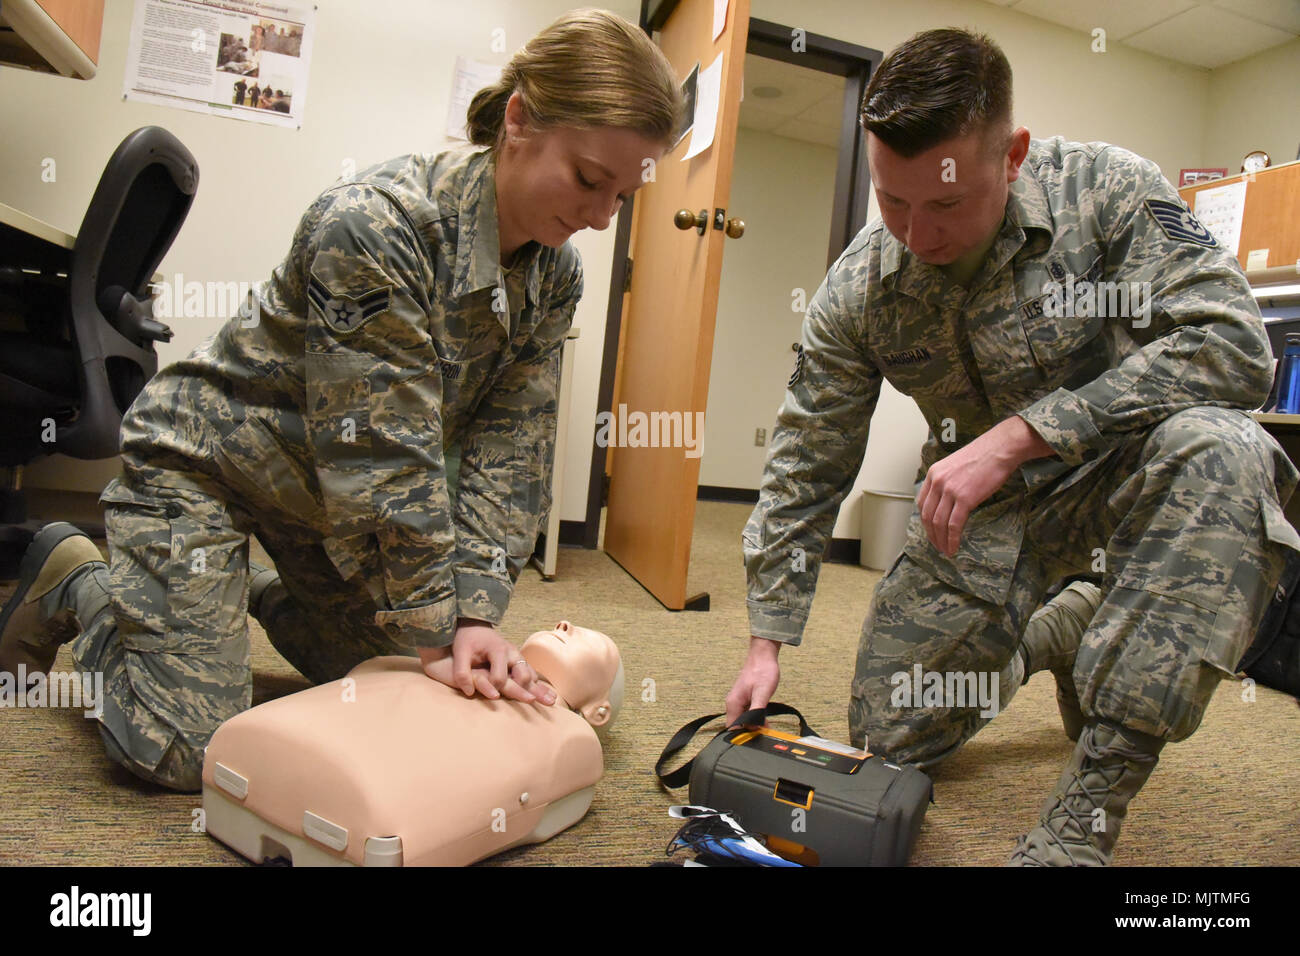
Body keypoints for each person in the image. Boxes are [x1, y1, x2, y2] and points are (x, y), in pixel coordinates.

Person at [0, 9, 684, 793]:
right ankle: (77, 577)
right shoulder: (377, 225)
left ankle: (240, 588)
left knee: (381, 680)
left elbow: (510, 449)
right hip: (208, 470)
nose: (600, 216)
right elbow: (382, 457)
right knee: (187, 752)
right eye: (590, 179)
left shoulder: (555, 276)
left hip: (318, 505)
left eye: (624, 196)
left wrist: (472, 618)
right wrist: (435, 622)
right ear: (521, 121)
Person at [726, 27, 1298, 866]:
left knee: (1223, 448)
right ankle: (1059, 633)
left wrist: (1029, 431)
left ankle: (1081, 824)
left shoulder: (1105, 192)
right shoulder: (859, 287)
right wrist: (765, 638)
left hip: (1118, 487)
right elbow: (809, 456)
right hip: (981, 521)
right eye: (894, 202)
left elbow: (1237, 347)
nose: (917, 235)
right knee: (892, 730)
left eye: (947, 204)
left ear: (1014, 155)